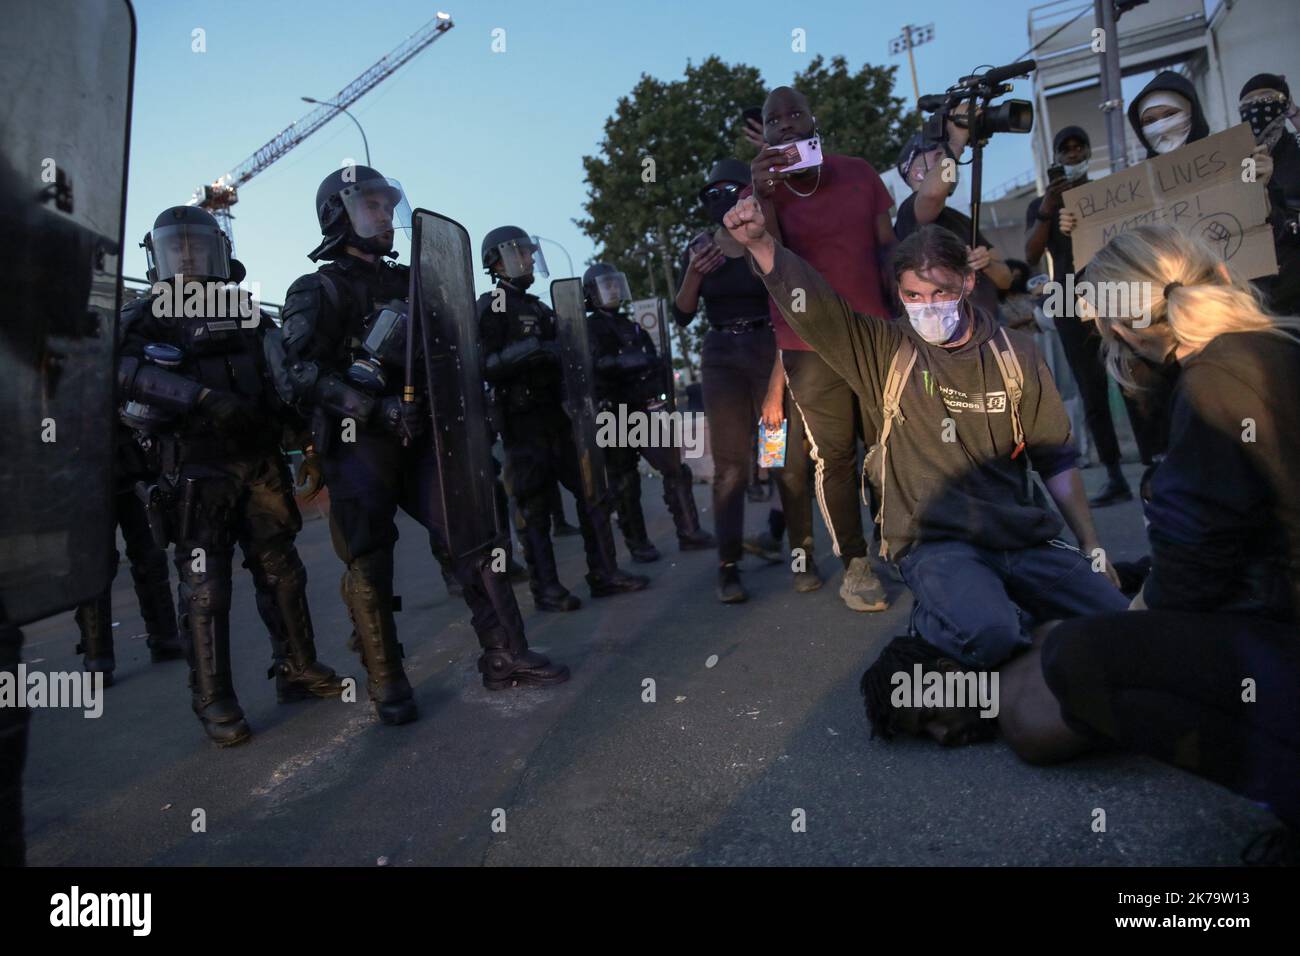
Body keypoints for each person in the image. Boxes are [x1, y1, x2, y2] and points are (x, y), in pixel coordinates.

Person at [874, 226, 1300, 854]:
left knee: (1080, 660)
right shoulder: (1270, 350)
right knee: (1090, 627)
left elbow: (1195, 583)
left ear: (1122, 327)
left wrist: (1117, 618)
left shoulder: (1214, 386)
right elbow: (1239, 537)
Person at [725, 197, 1128, 669]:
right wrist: (762, 243)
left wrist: (1092, 546)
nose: (928, 307)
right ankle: (938, 622)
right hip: (935, 543)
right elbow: (819, 310)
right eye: (913, 296)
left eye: (941, 293)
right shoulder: (885, 349)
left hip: (1020, 534)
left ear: (968, 282)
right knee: (994, 636)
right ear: (899, 293)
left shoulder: (1016, 354)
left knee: (1119, 621)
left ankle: (1004, 604)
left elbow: (1056, 460)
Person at [279, 166, 569, 726]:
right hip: (360, 439)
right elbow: (297, 374)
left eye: (389, 206)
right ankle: (387, 679)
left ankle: (505, 653)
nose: (385, 216)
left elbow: (459, 346)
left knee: (471, 536)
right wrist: (371, 407)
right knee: (369, 558)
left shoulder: (413, 279)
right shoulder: (316, 289)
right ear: (338, 216)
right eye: (371, 206)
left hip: (425, 434)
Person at [117, 205, 346, 746]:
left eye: (201, 245)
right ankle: (213, 697)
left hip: (259, 462)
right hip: (194, 468)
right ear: (159, 257)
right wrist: (198, 397)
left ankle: (297, 667)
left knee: (283, 571)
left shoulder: (246, 314)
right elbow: (119, 373)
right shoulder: (144, 314)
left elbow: (283, 379)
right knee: (205, 587)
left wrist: (307, 442)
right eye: (180, 247)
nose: (191, 256)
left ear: (221, 250)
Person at [742, 85, 898, 612]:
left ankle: (895, 545)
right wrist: (763, 194)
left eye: (794, 114)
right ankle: (856, 565)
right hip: (806, 344)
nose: (784, 124)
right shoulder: (762, 192)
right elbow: (767, 265)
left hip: (875, 333)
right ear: (763, 134)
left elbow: (887, 250)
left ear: (813, 121)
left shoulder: (858, 172)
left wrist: (906, 321)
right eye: (772, 120)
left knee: (885, 447)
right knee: (833, 456)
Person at [477, 225, 649, 610]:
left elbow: (570, 354)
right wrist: (532, 350)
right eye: (519, 253)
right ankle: (547, 589)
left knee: (593, 492)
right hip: (520, 422)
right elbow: (482, 364)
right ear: (497, 261)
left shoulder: (538, 306)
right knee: (534, 507)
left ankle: (604, 572)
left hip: (556, 415)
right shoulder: (493, 304)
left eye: (528, 252)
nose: (527, 259)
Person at [672, 159, 817, 602]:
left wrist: (777, 380)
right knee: (731, 467)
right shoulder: (699, 247)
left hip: (767, 352)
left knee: (784, 462)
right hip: (721, 359)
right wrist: (694, 273)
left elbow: (790, 306)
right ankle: (727, 569)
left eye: (728, 188)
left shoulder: (765, 238)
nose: (719, 197)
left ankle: (802, 559)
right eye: (710, 192)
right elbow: (681, 314)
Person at [1025, 126, 1138, 506]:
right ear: (1057, 157)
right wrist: (1047, 211)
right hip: (1070, 303)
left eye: (1079, 147)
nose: (1073, 154)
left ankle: (1156, 458)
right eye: (1066, 149)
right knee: (1091, 391)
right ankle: (1114, 473)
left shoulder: (1104, 194)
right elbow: (1030, 254)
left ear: (1089, 151)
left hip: (1112, 294)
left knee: (1132, 380)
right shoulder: (1041, 205)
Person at [584, 262, 715, 561]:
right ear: (592, 294)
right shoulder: (589, 328)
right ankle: (638, 544)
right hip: (614, 412)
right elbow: (594, 367)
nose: (614, 290)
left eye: (615, 284)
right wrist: (625, 363)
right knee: (625, 482)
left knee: (675, 469)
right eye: (607, 286)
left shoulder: (632, 326)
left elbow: (653, 361)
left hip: (643, 409)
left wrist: (651, 378)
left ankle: (689, 531)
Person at [72, 429, 185, 686]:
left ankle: (164, 637)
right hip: (86, 461)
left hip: (130, 456)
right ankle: (97, 657)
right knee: (94, 565)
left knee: (150, 555)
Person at [895, 128, 1012, 320]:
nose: (951, 164)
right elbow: (932, 195)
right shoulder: (910, 212)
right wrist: (957, 142)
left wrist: (987, 263)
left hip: (991, 324)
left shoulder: (961, 219)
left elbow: (1006, 279)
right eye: (940, 157)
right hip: (953, 332)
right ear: (917, 174)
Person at [1240, 73, 1300, 316]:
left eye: (1266, 99)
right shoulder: (1242, 161)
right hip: (1265, 292)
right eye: (1248, 104)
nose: (1256, 108)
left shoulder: (1295, 149)